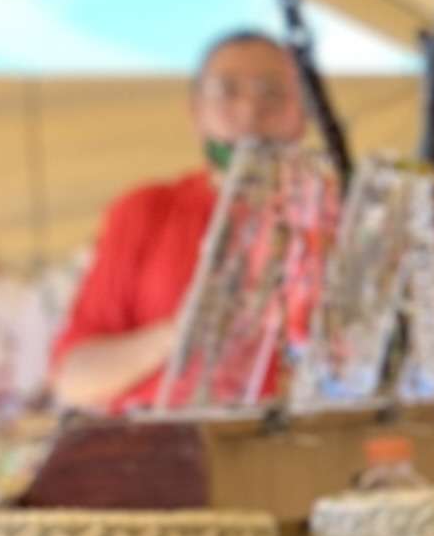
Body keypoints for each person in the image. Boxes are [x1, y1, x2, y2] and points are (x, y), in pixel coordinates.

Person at [48, 28, 309, 411]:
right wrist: (177, 334)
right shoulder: (146, 210)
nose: (250, 110)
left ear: (302, 114)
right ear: (196, 112)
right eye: (228, 91)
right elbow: (73, 381)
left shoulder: (332, 218)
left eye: (271, 92)